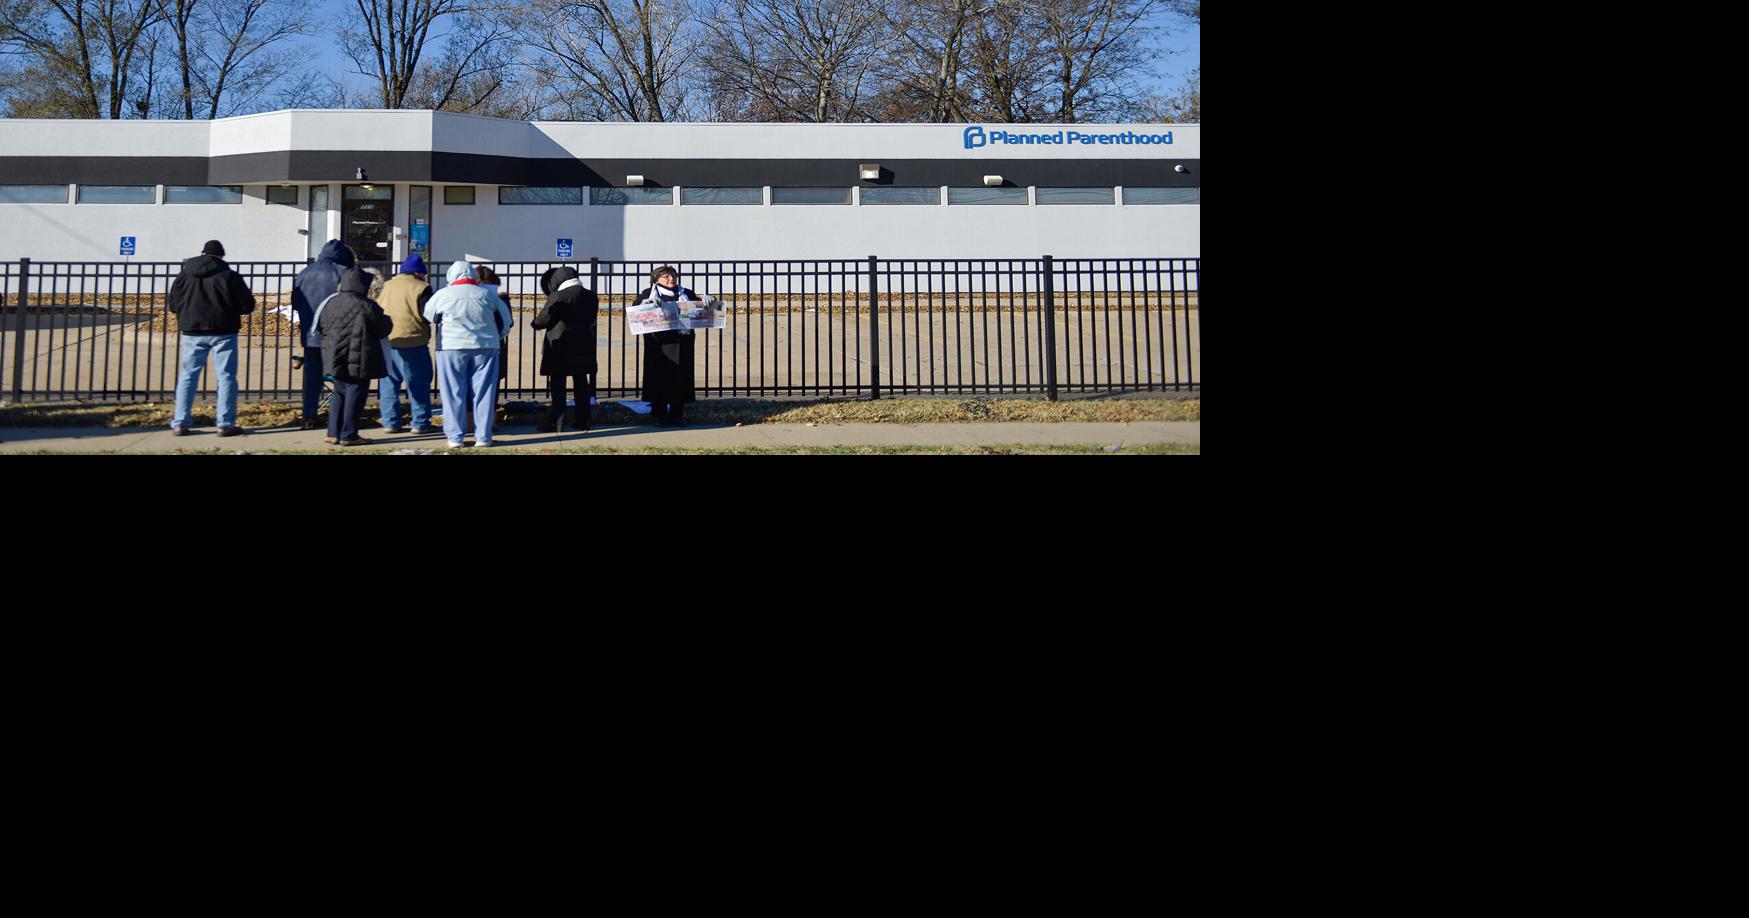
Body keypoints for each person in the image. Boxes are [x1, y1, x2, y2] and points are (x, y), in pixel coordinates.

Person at [167, 239, 256, 436]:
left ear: (203, 253)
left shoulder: (185, 274)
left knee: (188, 376)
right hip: (223, 331)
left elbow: (173, 304)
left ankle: (180, 422)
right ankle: (225, 423)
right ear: (221, 256)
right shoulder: (229, 276)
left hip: (192, 330)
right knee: (226, 377)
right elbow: (247, 305)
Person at [425, 260, 512, 448]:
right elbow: (506, 321)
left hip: (451, 347)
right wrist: (497, 337)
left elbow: (429, 315)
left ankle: (455, 438)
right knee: (484, 392)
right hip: (486, 347)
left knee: (453, 393)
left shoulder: (443, 294)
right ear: (472, 275)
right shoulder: (488, 295)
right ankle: (483, 437)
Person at [315, 268, 393, 446]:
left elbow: (321, 326)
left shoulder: (331, 302)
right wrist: (387, 319)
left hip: (334, 355)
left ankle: (333, 432)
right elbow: (382, 329)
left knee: (339, 393)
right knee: (355, 394)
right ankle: (349, 434)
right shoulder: (367, 305)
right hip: (360, 357)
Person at [291, 240, 356, 429]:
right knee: (341, 378)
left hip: (311, 335)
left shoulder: (305, 273)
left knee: (312, 378)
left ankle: (309, 415)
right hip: (337, 335)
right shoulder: (343, 273)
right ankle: (340, 420)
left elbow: (295, 301)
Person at [531, 265, 599, 432]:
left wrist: (535, 323)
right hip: (584, 344)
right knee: (582, 382)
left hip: (560, 345)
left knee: (557, 384)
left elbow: (542, 321)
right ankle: (584, 421)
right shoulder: (591, 296)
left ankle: (558, 421)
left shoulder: (558, 296)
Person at [376, 254, 438, 434]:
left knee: (388, 384)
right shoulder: (422, 288)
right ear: (419, 273)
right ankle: (419, 423)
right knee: (418, 383)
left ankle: (390, 422)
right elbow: (428, 314)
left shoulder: (385, 286)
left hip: (388, 341)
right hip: (413, 340)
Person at [635, 265, 704, 426]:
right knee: (658, 377)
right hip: (659, 345)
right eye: (666, 276)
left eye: (673, 275)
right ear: (656, 279)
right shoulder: (648, 293)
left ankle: (676, 414)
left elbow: (700, 310)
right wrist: (645, 304)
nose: (671, 279)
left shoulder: (685, 293)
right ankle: (659, 414)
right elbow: (635, 314)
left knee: (680, 378)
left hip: (682, 343)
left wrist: (708, 301)